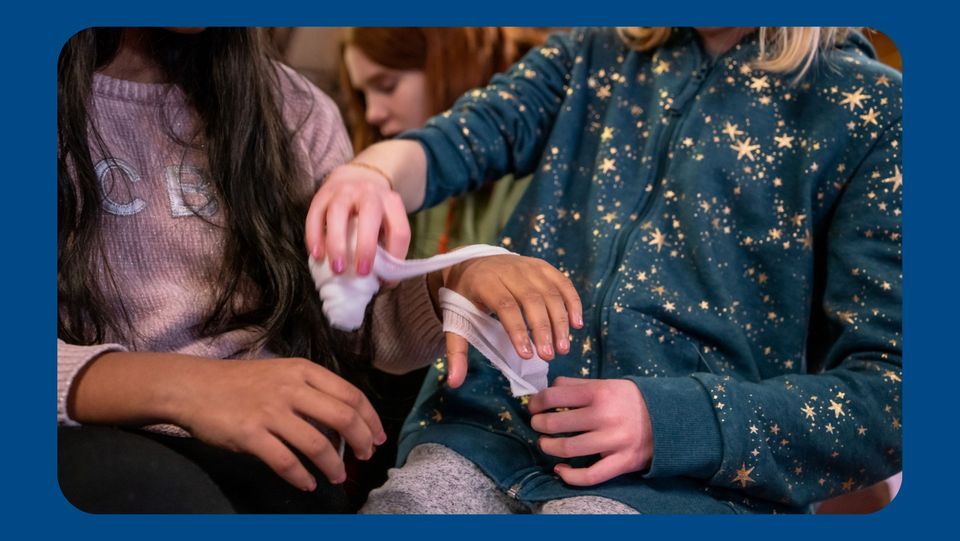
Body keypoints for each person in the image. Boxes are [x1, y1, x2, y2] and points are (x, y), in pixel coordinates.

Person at [307, 27, 903, 514]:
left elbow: (894, 397)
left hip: (686, 490)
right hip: (478, 440)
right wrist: (373, 175)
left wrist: (672, 423)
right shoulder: (588, 53)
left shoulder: (874, 111)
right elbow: (453, 142)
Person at [57, 27, 579, 513]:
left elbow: (353, 315)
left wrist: (453, 279)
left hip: (285, 469)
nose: (376, 114)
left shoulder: (296, 109)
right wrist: (188, 387)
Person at [341, 27, 544, 258]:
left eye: (387, 86)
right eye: (362, 96)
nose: (372, 114)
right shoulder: (408, 184)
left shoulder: (540, 166)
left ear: (453, 62)